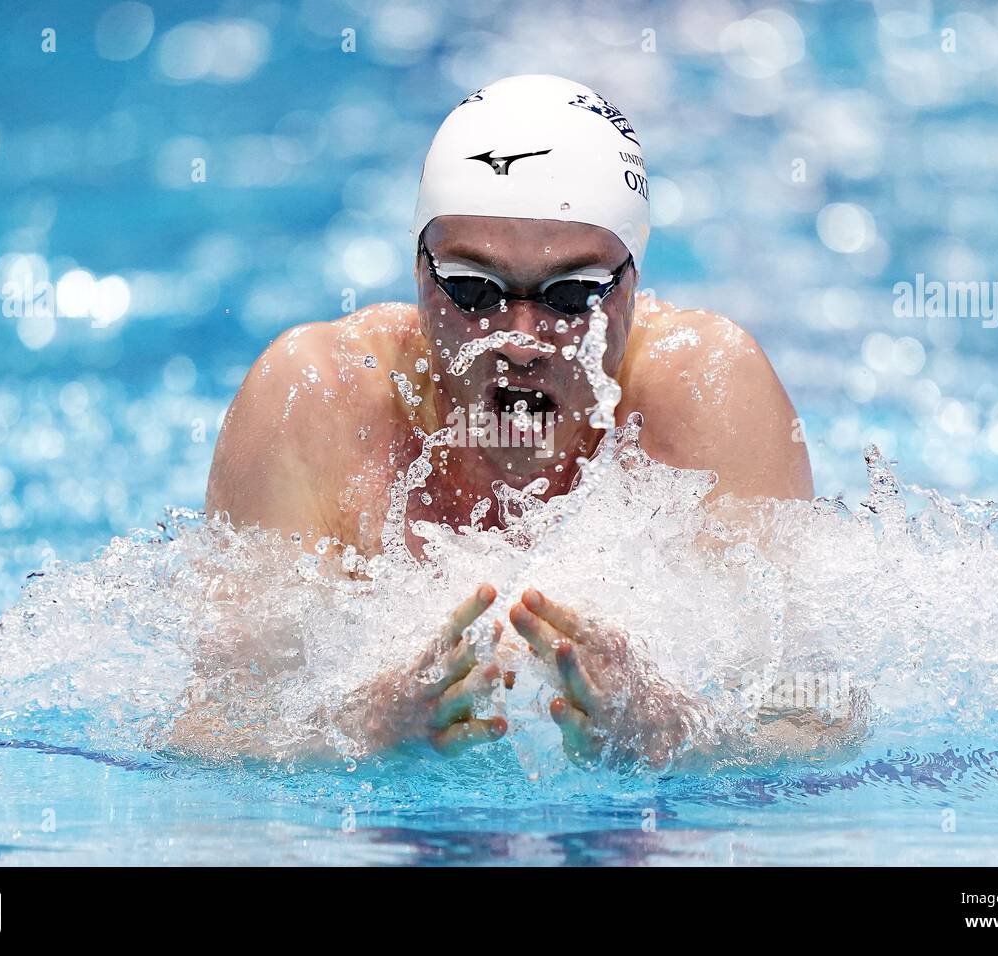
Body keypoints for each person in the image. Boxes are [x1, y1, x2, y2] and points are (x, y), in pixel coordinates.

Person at [198, 75, 816, 768]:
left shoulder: (709, 392)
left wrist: (675, 734)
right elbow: (209, 734)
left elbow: (822, 719)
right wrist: (364, 733)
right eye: (473, 288)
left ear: (633, 284)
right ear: (418, 273)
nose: (520, 339)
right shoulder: (315, 400)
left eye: (572, 295)